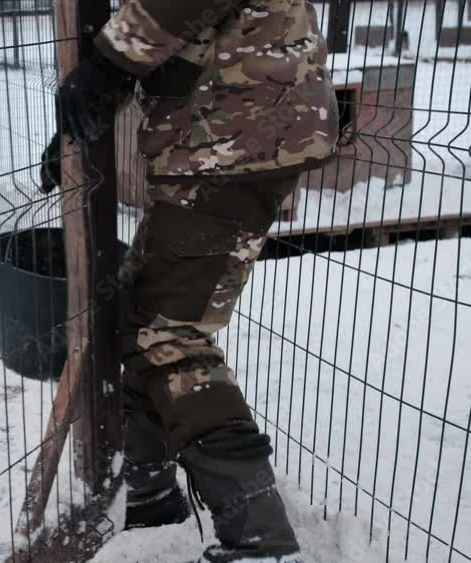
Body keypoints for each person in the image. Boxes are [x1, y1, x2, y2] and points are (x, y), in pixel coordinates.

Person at [40, 1, 340, 561]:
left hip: (234, 130)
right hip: (227, 127)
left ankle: (261, 540)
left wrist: (108, 63)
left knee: (167, 335)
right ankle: (152, 498)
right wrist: (89, 114)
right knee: (143, 311)